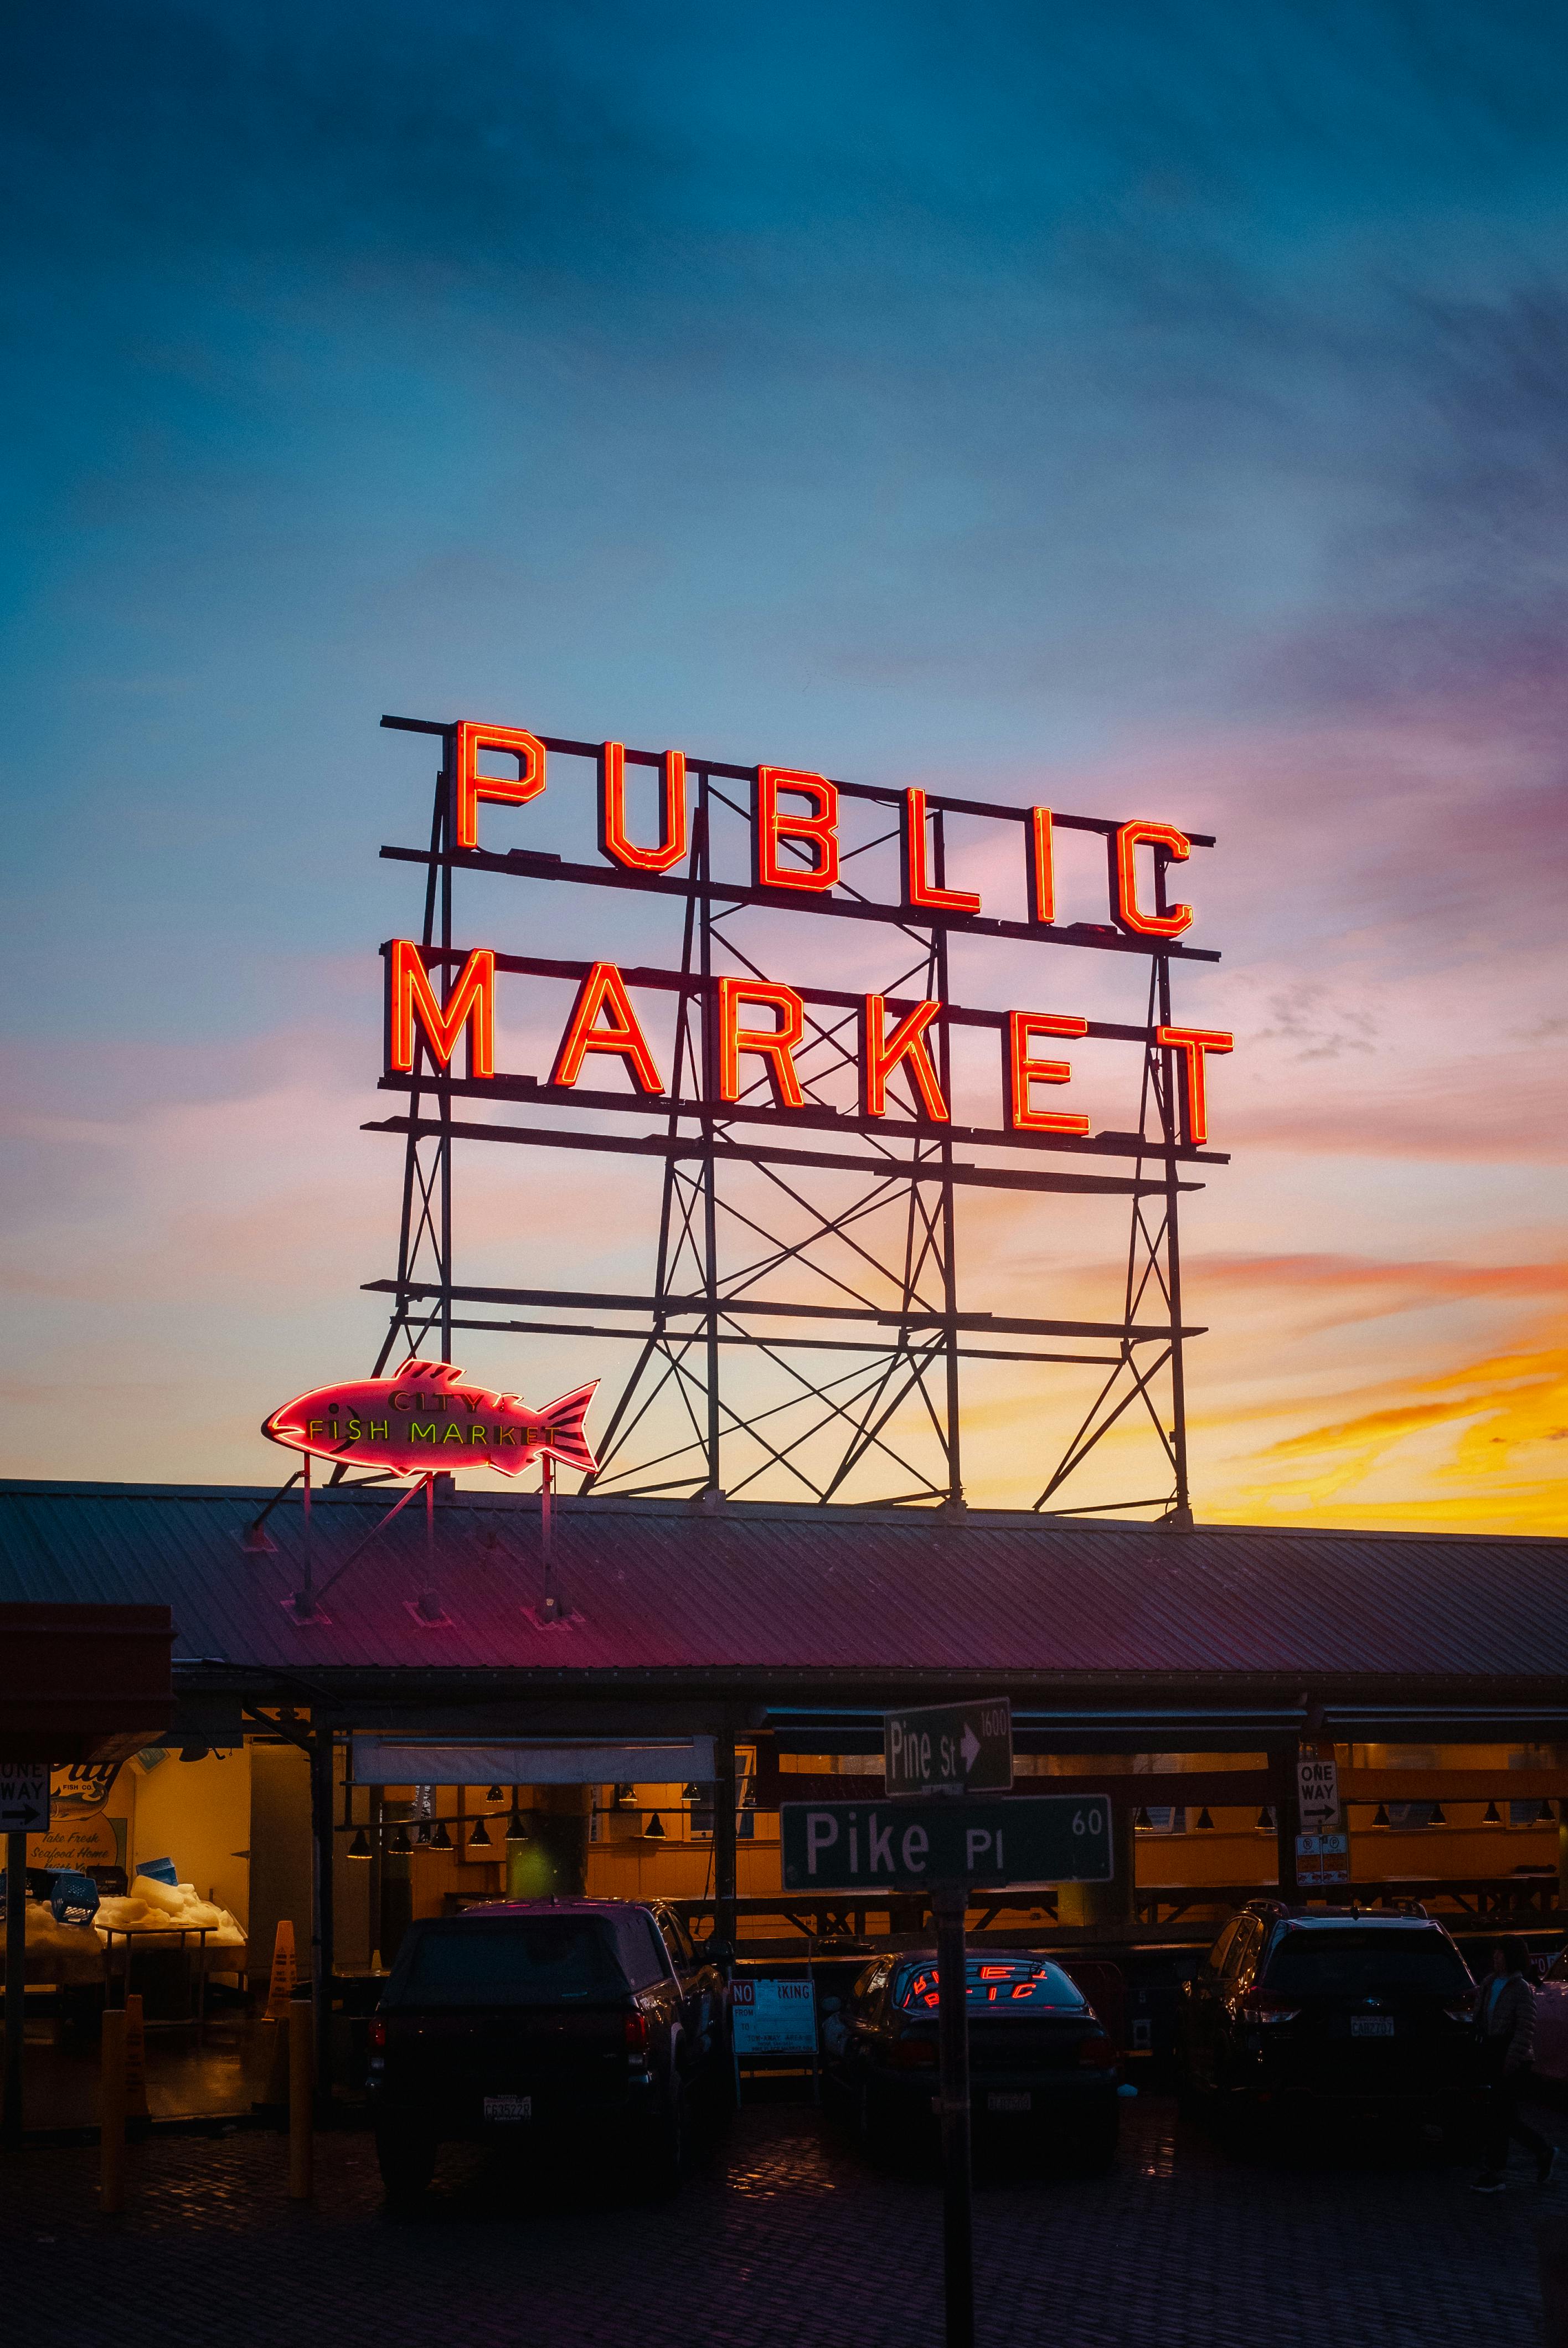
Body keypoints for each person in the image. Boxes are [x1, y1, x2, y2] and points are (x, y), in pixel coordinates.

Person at [1473, 1937, 1556, 2192]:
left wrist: (1511, 2059)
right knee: (1505, 2117)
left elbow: (1525, 2028)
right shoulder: (1489, 1983)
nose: (1496, 1957)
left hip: (1509, 2054)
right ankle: (1542, 2151)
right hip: (1493, 2051)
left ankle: (1496, 2171)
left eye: (1501, 1953)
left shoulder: (1519, 1988)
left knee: (1500, 2116)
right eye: (1495, 1953)